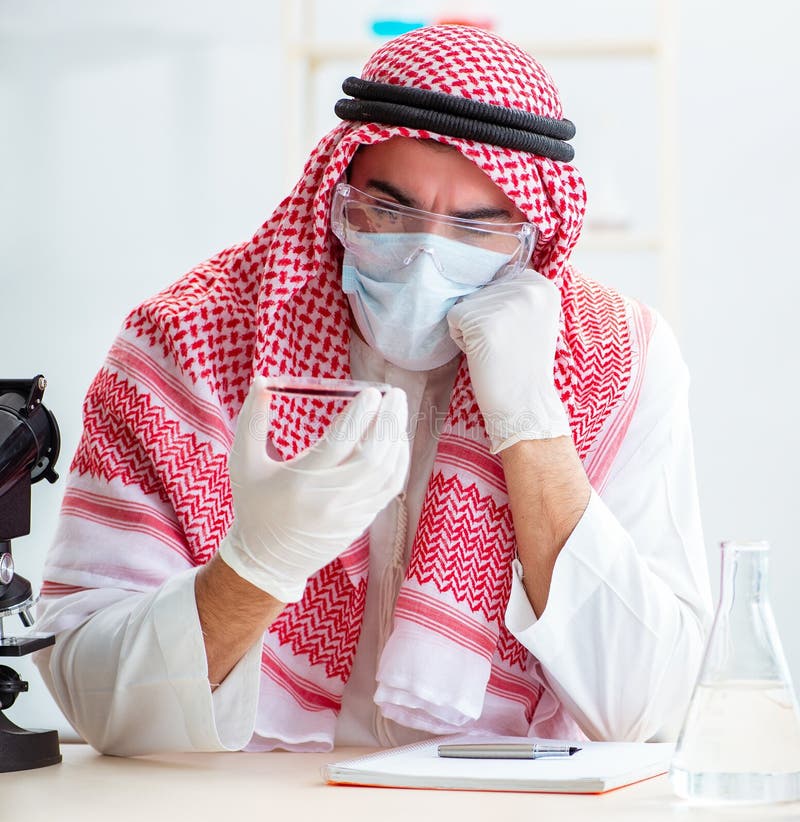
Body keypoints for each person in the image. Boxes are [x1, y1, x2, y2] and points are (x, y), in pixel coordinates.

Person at [35, 24, 712, 756]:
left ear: (532, 238)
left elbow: (643, 705)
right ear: (336, 194)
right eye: (387, 214)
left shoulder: (621, 359)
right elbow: (93, 698)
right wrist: (257, 565)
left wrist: (531, 421)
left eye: (476, 231)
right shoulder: (185, 344)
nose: (424, 257)